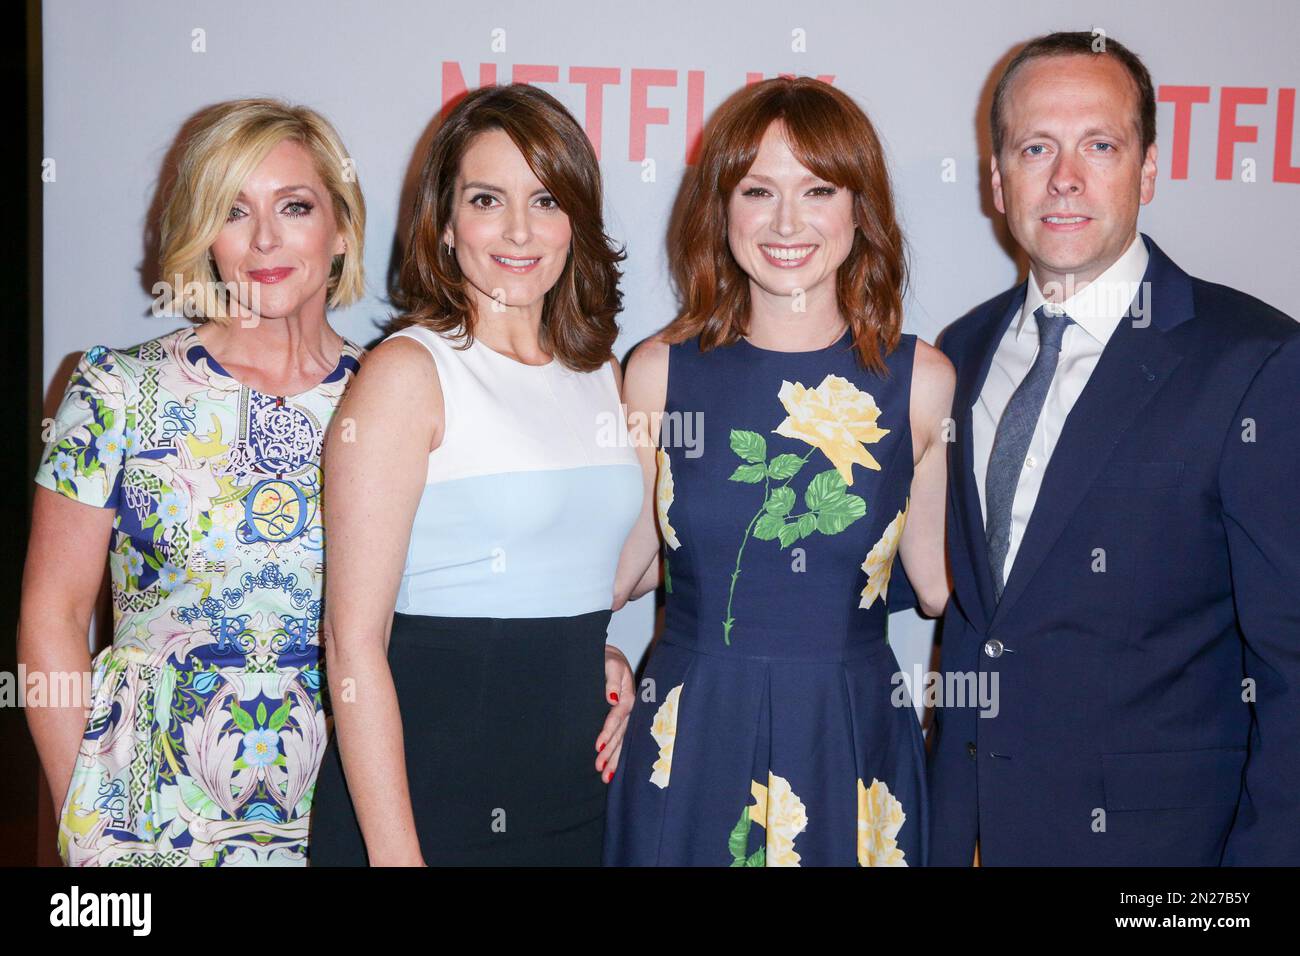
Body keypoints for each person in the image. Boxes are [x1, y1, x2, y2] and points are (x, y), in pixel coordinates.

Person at [929, 32, 1300, 866]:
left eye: (1100, 144)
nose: (1066, 177)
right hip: (967, 834)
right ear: (996, 179)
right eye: (1036, 147)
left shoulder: (1255, 361)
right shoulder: (963, 349)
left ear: (1150, 169)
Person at [602, 77, 954, 867]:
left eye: (819, 189)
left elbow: (936, 584)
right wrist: (590, 652)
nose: (787, 221)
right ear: (720, 209)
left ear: (860, 210)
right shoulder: (659, 374)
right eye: (757, 190)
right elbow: (617, 569)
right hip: (691, 733)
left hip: (849, 737)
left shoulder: (922, 381)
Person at [19, 98, 367, 865]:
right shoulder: (115, 390)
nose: (266, 239)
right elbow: (52, 616)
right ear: (205, 233)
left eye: (295, 206)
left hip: (344, 808)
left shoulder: (394, 399)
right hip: (144, 823)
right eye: (234, 211)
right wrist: (86, 812)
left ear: (341, 227)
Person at [308, 83, 642, 866]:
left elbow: (573, 579)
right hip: (425, 804)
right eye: (488, 199)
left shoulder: (604, 374)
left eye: (547, 199)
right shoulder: (408, 373)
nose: (519, 230)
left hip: (573, 800)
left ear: (576, 223)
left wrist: (600, 656)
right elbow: (352, 644)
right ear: (447, 223)